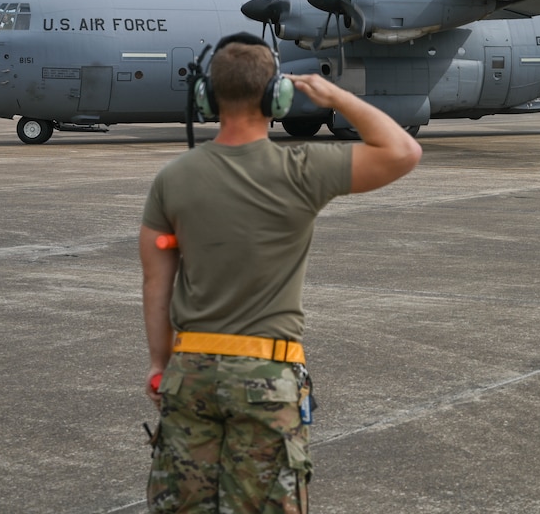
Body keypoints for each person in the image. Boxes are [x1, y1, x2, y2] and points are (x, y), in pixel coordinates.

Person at [139, 33, 422, 513]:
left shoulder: (173, 178)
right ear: (278, 98)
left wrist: (161, 367)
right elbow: (403, 151)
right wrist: (334, 95)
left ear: (207, 98)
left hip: (191, 374)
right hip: (267, 374)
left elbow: (156, 282)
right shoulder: (302, 169)